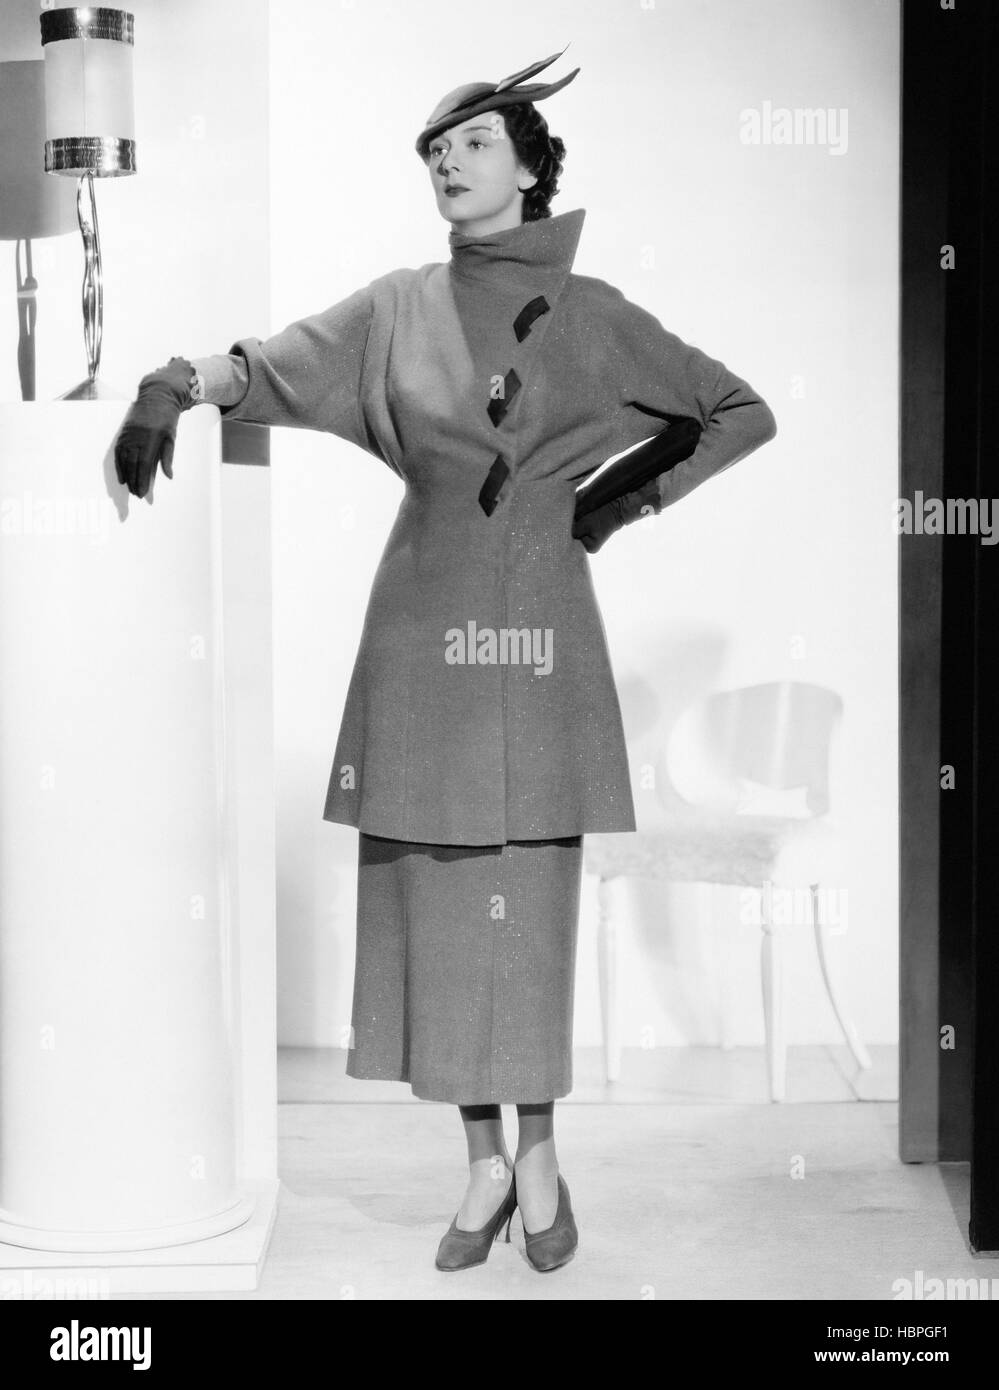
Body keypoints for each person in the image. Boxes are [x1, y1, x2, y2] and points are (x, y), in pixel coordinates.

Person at [114, 48, 778, 1274]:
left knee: (522, 909)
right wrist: (175, 379)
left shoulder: (595, 316)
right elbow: (274, 363)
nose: (446, 162)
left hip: (536, 648)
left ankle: (540, 1157)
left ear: (529, 167)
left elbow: (736, 408)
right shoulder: (400, 305)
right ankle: (479, 1166)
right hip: (419, 638)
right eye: (434, 150)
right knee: (438, 904)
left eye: (472, 143)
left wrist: (613, 503)